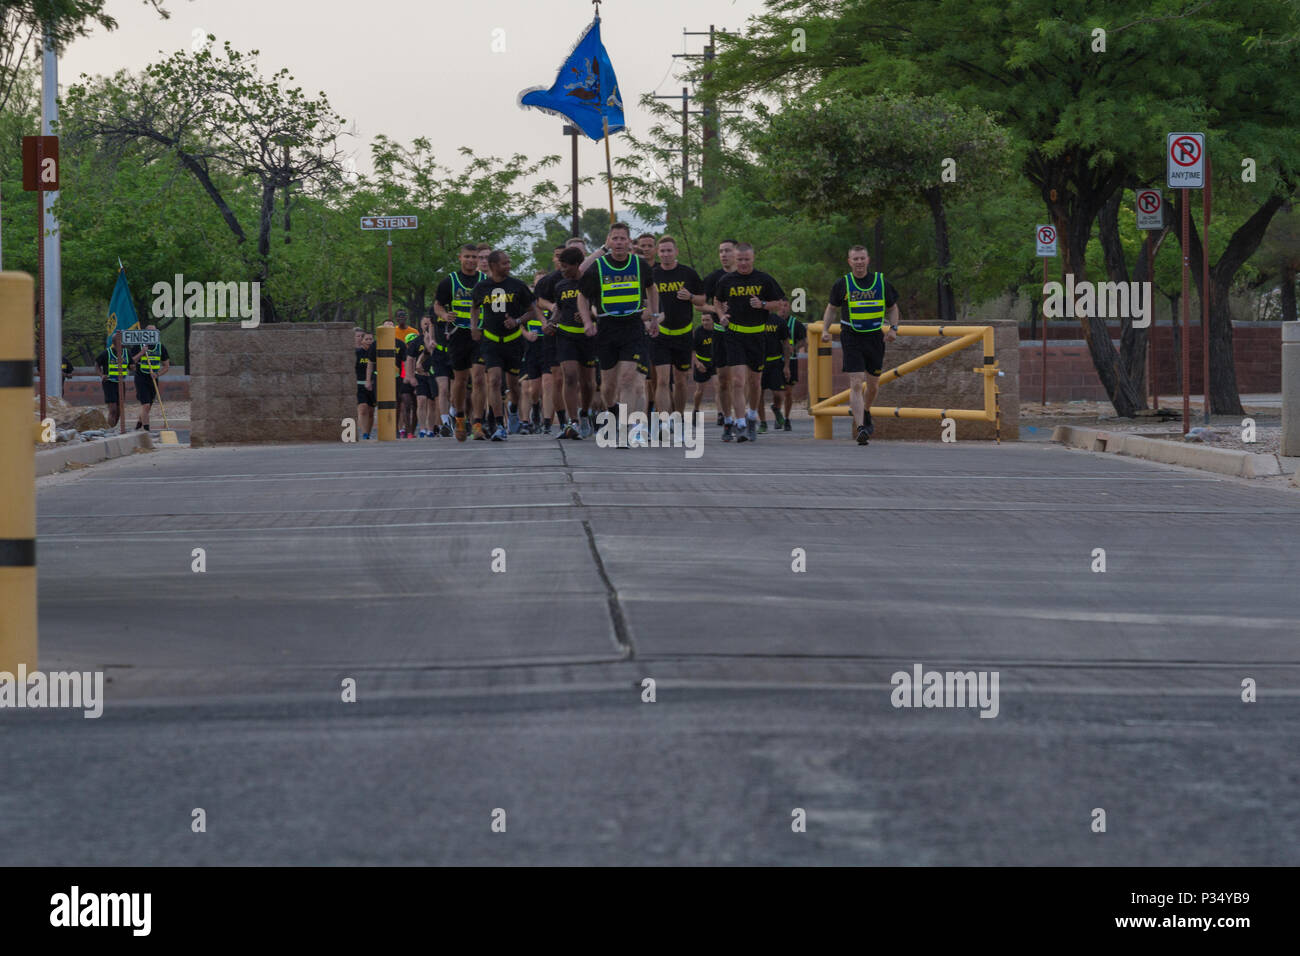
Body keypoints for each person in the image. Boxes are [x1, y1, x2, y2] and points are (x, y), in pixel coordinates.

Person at [578, 222, 658, 446]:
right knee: (608, 386)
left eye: (623, 238)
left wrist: (653, 316)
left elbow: (652, 288)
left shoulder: (640, 265)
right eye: (615, 238)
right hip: (607, 327)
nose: (620, 242)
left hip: (632, 326)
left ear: (629, 242)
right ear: (609, 241)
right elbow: (582, 296)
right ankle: (611, 409)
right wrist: (587, 321)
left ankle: (624, 429)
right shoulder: (599, 267)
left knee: (628, 378)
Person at [822, 244, 900, 445]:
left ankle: (866, 411)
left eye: (862, 258)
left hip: (875, 336)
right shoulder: (843, 284)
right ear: (849, 261)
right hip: (851, 335)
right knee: (856, 382)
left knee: (873, 385)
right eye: (855, 259)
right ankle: (860, 428)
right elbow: (831, 308)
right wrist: (825, 330)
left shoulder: (881, 282)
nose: (859, 262)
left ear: (868, 260)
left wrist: (893, 328)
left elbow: (892, 308)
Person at [714, 243, 788, 443]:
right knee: (737, 381)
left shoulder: (764, 279)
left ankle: (752, 416)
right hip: (734, 335)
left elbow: (780, 303)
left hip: (757, 336)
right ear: (735, 260)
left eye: (747, 259)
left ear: (753, 259)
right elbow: (717, 300)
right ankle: (740, 424)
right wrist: (721, 315)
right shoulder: (727, 280)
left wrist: (763, 304)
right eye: (740, 260)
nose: (743, 263)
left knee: (755, 382)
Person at [471, 250, 540, 441]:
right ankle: (499, 426)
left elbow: (532, 312)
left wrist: (517, 321)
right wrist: (474, 327)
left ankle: (514, 409)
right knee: (493, 381)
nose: (508, 266)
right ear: (493, 266)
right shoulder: (481, 287)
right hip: (490, 340)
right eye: (504, 263)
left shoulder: (517, 286)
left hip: (513, 341)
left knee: (513, 385)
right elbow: (474, 307)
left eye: (509, 263)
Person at [651, 236, 704, 434]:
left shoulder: (688, 273)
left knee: (681, 380)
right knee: (663, 380)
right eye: (662, 251)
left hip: (683, 334)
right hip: (661, 335)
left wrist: (690, 296)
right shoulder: (652, 274)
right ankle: (664, 422)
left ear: (676, 252)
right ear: (658, 253)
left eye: (669, 251)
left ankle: (678, 418)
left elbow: (702, 299)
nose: (665, 254)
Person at [435, 244, 488, 441]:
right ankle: (459, 418)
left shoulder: (485, 280)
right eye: (467, 256)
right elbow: (438, 304)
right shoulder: (450, 280)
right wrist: (444, 314)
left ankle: (477, 423)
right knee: (460, 380)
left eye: (475, 257)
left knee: (479, 377)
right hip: (458, 334)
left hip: (480, 334)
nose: (471, 260)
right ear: (460, 258)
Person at [548, 247, 596, 440]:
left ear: (577, 265)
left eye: (565, 266)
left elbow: (599, 306)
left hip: (588, 337)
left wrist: (590, 315)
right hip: (566, 336)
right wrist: (552, 321)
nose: (562, 270)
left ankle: (585, 414)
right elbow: (558, 308)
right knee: (569, 376)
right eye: (561, 266)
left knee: (587, 382)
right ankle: (572, 421)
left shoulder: (592, 283)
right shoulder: (560, 286)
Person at [702, 239, 738, 428]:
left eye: (727, 251)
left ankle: (745, 417)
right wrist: (717, 310)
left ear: (736, 253)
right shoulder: (713, 278)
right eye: (721, 251)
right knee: (723, 381)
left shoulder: (747, 276)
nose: (724, 254)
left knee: (741, 380)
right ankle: (727, 418)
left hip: (744, 334)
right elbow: (700, 304)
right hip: (720, 333)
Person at [128, 325, 171, 431]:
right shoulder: (138, 346)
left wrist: (157, 374)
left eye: (154, 332)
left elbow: (166, 366)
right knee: (146, 404)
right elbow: (130, 363)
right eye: (150, 332)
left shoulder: (161, 347)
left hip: (153, 379)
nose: (152, 334)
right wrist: (142, 353)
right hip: (141, 378)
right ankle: (147, 430)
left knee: (148, 405)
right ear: (145, 333)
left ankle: (139, 423)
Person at [427, 309, 454, 437]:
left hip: (455, 351)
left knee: (455, 392)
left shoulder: (457, 303)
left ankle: (454, 414)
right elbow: (432, 324)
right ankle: (445, 423)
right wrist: (431, 339)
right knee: (443, 389)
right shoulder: (435, 308)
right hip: (439, 353)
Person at [95, 332, 129, 428]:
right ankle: (109, 431)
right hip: (109, 383)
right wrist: (101, 375)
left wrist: (142, 354)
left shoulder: (126, 352)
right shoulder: (106, 353)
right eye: (120, 341)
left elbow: (131, 364)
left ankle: (112, 428)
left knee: (119, 410)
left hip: (121, 384)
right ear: (115, 342)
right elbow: (96, 365)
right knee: (113, 409)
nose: (122, 343)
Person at [410, 316, 436, 437]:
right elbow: (410, 359)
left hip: (433, 375)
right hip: (420, 375)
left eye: (429, 324)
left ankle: (430, 429)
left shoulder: (436, 340)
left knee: (432, 403)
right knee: (421, 401)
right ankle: (422, 429)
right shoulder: (416, 341)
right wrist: (411, 376)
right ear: (421, 325)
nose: (427, 326)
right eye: (424, 324)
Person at [780, 315, 806, 431]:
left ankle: (786, 418)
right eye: (781, 305)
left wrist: (794, 348)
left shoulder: (796, 323)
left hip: (792, 360)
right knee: (777, 392)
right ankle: (777, 412)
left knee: (788, 392)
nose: (783, 309)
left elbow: (804, 341)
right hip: (775, 360)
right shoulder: (772, 321)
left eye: (785, 305)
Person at [691, 312, 715, 416]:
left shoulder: (717, 330)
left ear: (713, 320)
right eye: (703, 320)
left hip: (715, 362)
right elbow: (692, 350)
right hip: (702, 362)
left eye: (707, 320)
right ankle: (696, 409)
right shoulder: (698, 332)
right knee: (700, 390)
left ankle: (721, 414)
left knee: (720, 386)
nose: (705, 322)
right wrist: (697, 363)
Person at [356, 329, 376, 439]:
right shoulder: (357, 353)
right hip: (359, 385)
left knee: (371, 412)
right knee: (363, 408)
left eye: (370, 339)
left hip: (373, 385)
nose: (369, 341)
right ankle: (363, 434)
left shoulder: (375, 353)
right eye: (366, 339)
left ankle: (368, 434)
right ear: (362, 341)